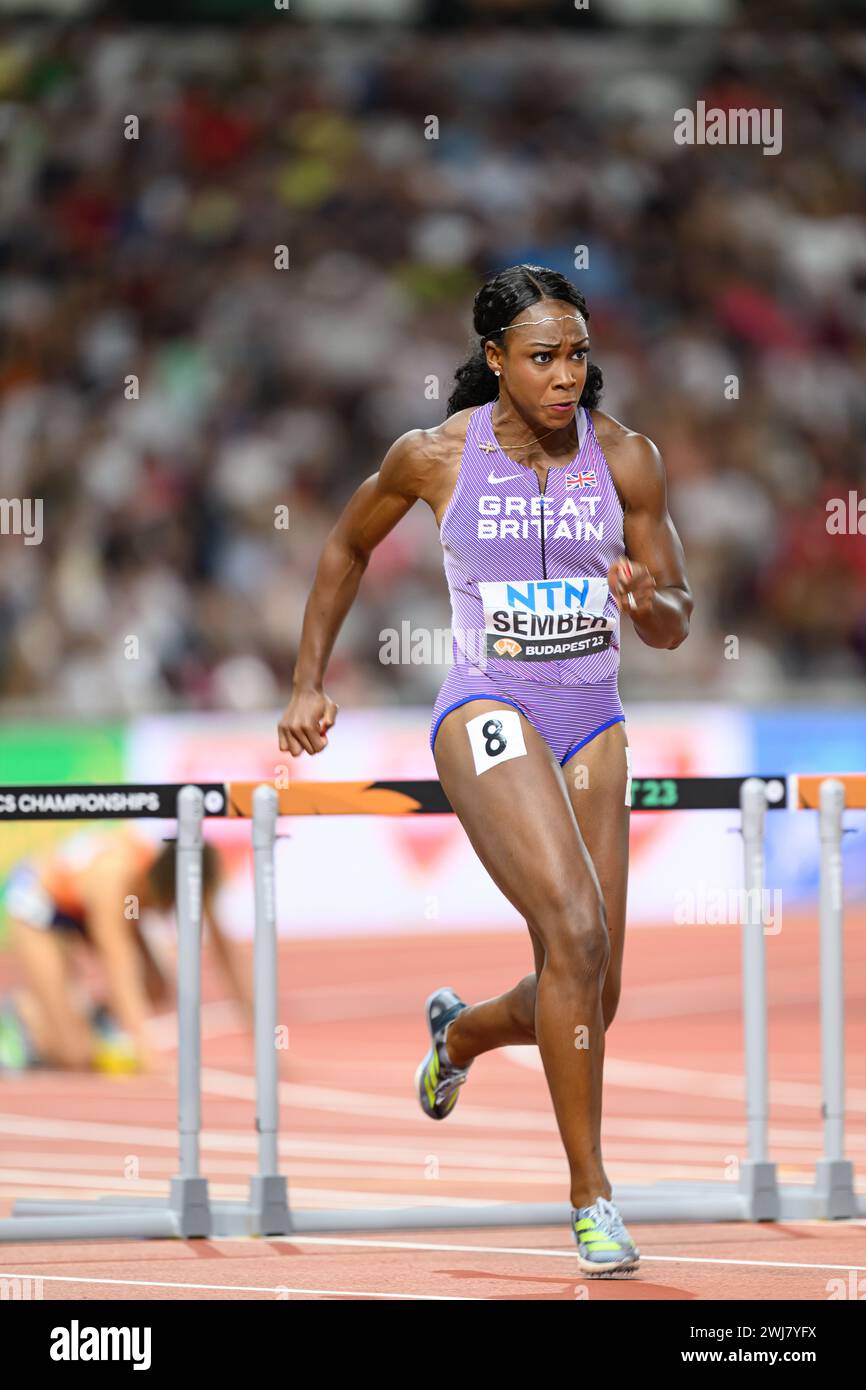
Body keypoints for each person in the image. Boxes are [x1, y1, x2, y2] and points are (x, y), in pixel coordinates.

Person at [277, 263, 692, 1276]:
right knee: (574, 928)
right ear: (495, 358)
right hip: (485, 706)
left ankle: (459, 1033)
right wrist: (305, 680)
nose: (564, 376)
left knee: (595, 988)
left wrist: (646, 604)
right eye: (541, 357)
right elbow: (342, 545)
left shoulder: (626, 459)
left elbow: (678, 618)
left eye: (578, 355)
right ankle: (590, 1197)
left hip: (590, 715)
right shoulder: (432, 456)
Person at [0, 822, 254, 1074]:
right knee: (74, 1055)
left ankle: (89, 1019)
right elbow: (118, 964)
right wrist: (144, 1050)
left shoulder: (184, 876)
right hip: (39, 907)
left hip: (94, 908)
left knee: (155, 982)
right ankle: (24, 1013)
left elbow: (225, 952)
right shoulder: (115, 876)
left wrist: (260, 1036)